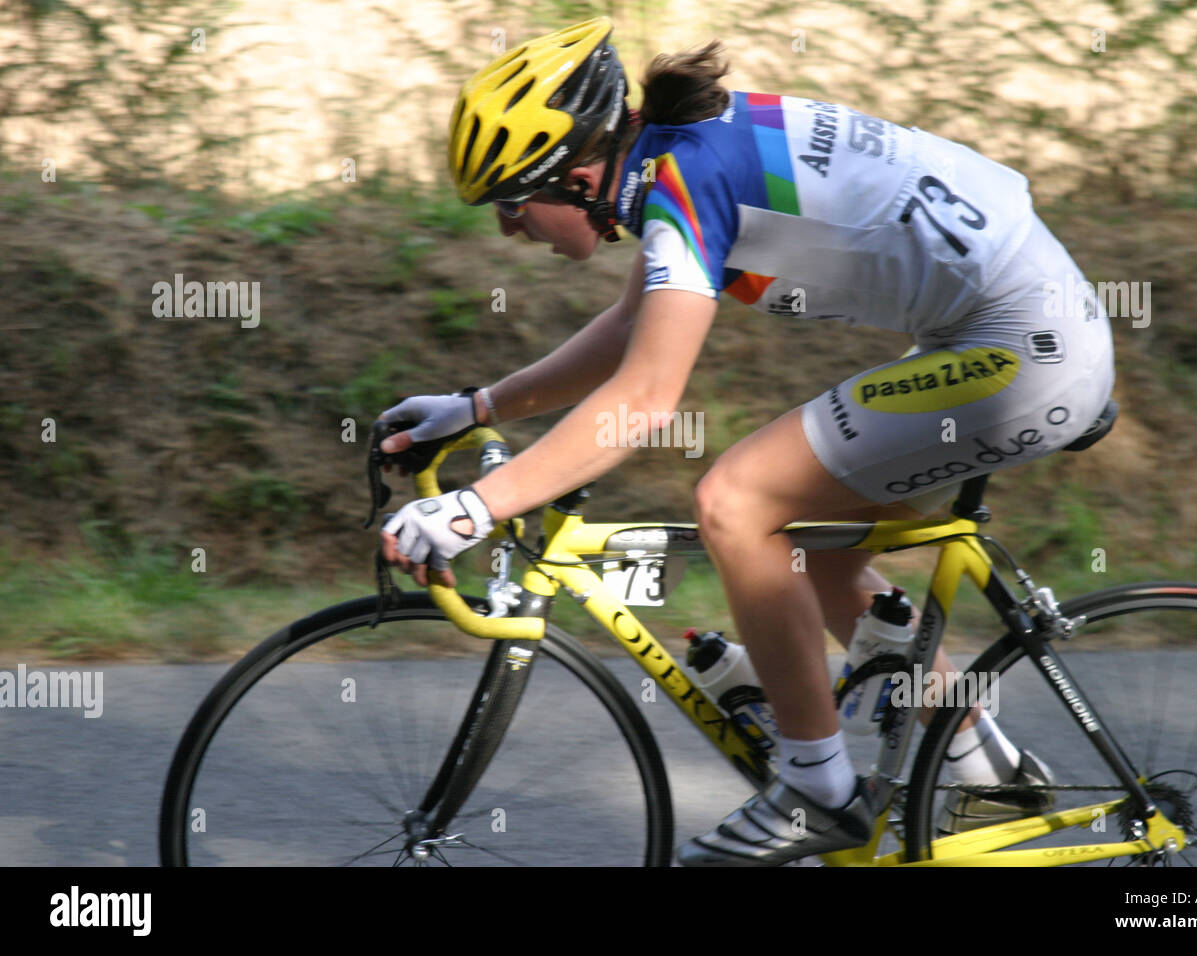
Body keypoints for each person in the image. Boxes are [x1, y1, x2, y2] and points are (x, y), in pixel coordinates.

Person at [378, 16, 1114, 866]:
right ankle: (986, 769)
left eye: (511, 202)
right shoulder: (676, 159)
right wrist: (478, 408)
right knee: (819, 549)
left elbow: (646, 399)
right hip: (1003, 332)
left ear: (577, 178)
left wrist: (474, 509)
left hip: (1024, 352)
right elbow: (630, 328)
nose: (509, 229)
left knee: (737, 503)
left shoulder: (684, 183)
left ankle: (816, 789)